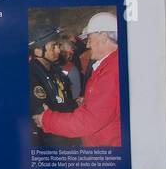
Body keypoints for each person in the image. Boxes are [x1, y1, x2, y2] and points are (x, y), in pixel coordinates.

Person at [33, 12, 121, 146]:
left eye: (89, 38)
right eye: (54, 46)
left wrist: (47, 120)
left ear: (103, 37)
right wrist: (87, 102)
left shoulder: (111, 70)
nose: (87, 45)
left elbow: (88, 121)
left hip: (104, 148)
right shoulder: (108, 66)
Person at [28, 27, 80, 148]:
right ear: (38, 51)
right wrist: (74, 106)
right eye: (53, 46)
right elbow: (41, 112)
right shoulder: (31, 74)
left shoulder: (55, 70)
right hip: (50, 140)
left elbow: (64, 98)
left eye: (58, 45)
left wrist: (74, 105)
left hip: (66, 133)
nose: (58, 50)